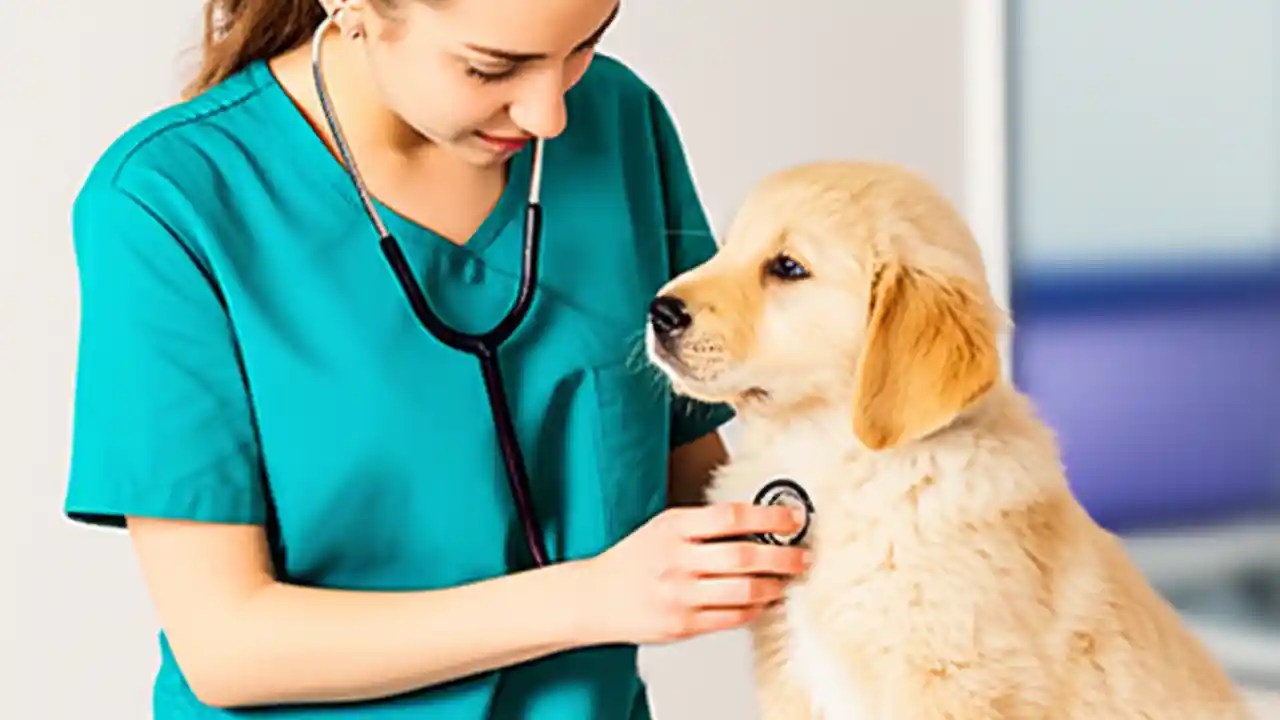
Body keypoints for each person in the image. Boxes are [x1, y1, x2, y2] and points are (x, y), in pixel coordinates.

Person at [63, 0, 811, 717]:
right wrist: (589, 598)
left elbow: (698, 487)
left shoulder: (619, 122)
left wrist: (889, 518)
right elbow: (225, 647)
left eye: (585, 44)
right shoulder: (169, 201)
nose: (550, 112)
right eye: (492, 68)